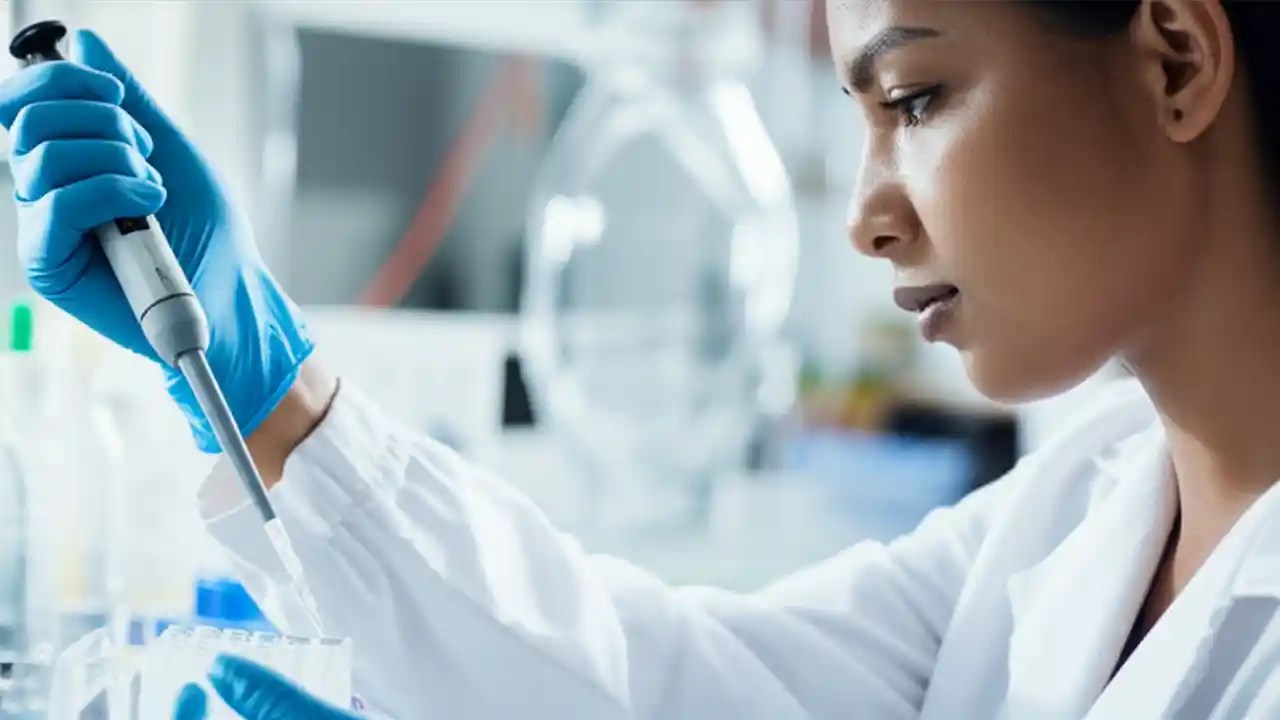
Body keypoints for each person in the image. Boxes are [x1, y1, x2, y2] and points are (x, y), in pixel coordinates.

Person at [3, 0, 1280, 716]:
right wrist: (266, 383)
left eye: (915, 99)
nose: (863, 216)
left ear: (1175, 59)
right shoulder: (1076, 510)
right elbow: (666, 687)